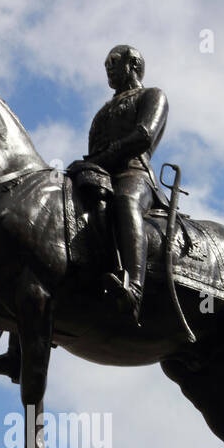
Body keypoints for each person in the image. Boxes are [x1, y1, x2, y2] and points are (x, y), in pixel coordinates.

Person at [83, 45, 168, 323]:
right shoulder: (102, 112)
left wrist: (105, 157)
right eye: (106, 63)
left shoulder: (152, 96)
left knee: (125, 201)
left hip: (134, 174)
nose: (108, 67)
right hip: (100, 175)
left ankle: (135, 289)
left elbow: (144, 135)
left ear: (133, 64)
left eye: (114, 61)